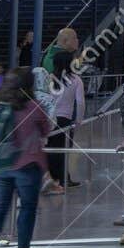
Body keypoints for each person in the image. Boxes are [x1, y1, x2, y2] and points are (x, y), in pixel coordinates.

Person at [0, 69, 53, 248]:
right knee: (28, 207)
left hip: (1, 166)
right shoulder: (34, 106)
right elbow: (46, 129)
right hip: (28, 165)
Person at [42, 49, 85, 193]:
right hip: (64, 120)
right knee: (63, 150)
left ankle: (52, 179)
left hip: (48, 119)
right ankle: (62, 178)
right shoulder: (75, 79)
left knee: (49, 150)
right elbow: (80, 102)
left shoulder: (49, 78)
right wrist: (79, 119)